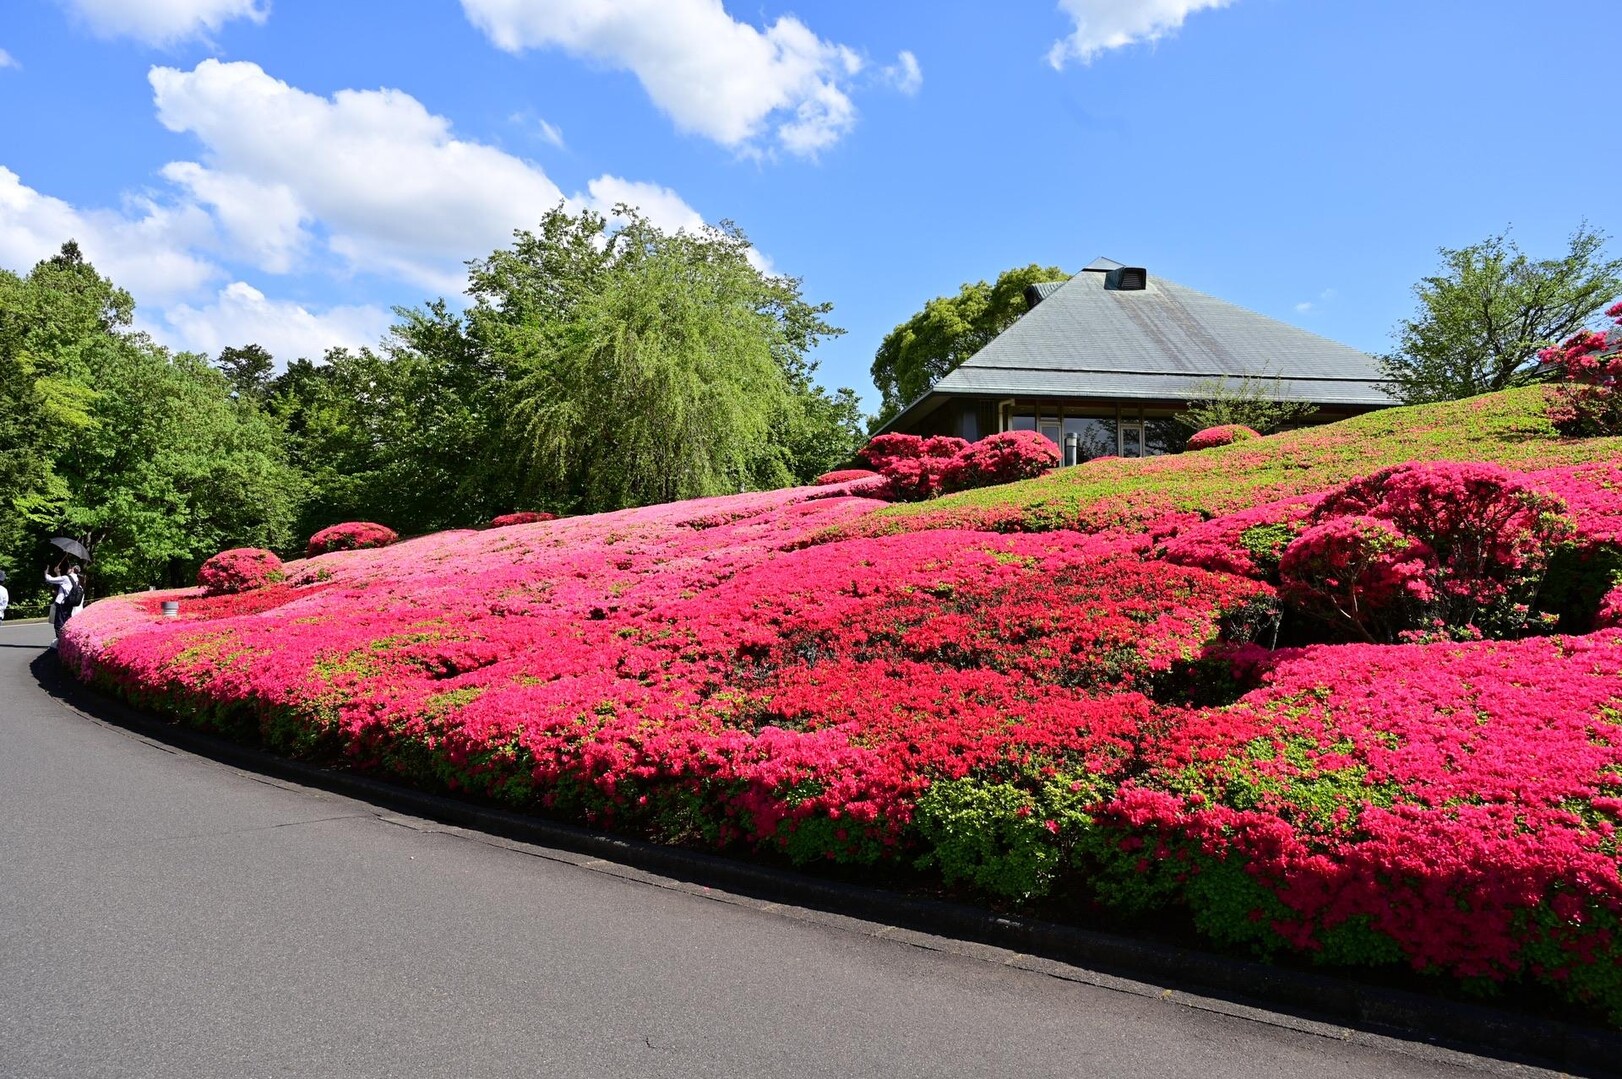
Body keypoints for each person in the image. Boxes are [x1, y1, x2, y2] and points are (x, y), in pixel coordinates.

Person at [44, 561, 82, 645]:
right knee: (66, 622)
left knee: (59, 623)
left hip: (62, 603)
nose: (68, 569)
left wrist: (46, 573)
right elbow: (63, 584)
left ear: (72, 569)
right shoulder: (76, 579)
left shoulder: (66, 578)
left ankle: (60, 642)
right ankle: (66, 641)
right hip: (69, 603)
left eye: (69, 568)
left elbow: (50, 579)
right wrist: (58, 573)